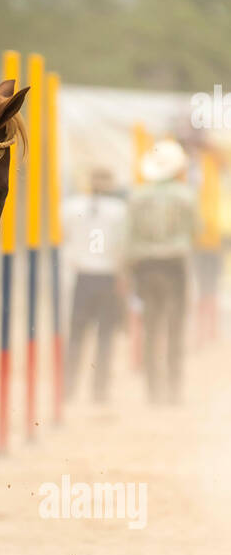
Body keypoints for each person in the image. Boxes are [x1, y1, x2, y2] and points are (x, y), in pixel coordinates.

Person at [126, 138, 199, 404]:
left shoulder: (137, 195)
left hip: (145, 266)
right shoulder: (186, 195)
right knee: (175, 328)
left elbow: (129, 236)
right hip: (175, 265)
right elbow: (196, 230)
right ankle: (174, 390)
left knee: (150, 328)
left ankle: (153, 392)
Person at [63, 167, 127, 403]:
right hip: (107, 277)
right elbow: (123, 246)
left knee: (77, 336)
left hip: (82, 277)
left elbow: (65, 237)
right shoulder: (120, 211)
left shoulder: (71, 207)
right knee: (105, 337)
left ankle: (69, 387)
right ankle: (99, 391)